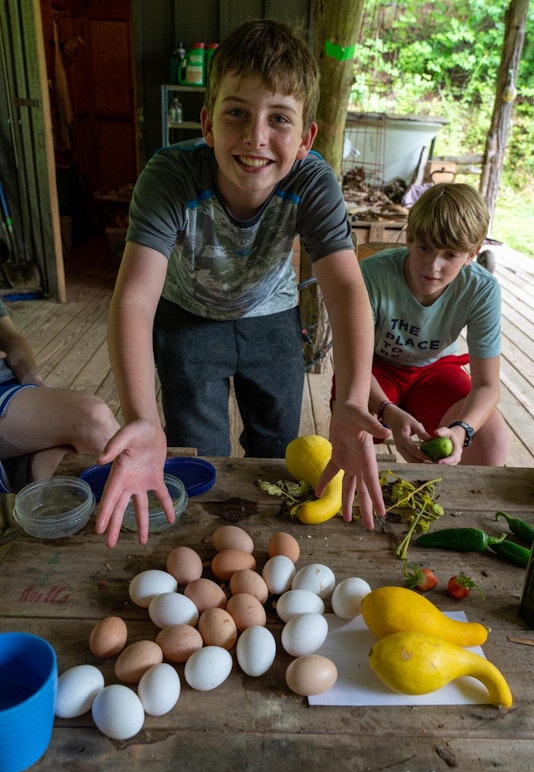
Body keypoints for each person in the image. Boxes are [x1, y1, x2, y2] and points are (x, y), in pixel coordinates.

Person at [95, 19, 389, 547]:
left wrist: (350, 402)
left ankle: (272, 549)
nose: (256, 136)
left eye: (279, 118)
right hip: (186, 320)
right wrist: (141, 418)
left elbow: (346, 291)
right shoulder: (169, 177)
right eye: (237, 113)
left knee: (279, 452)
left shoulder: (312, 181)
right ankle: (208, 550)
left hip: (272, 318)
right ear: (207, 124)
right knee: (197, 455)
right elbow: (134, 300)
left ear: (306, 138)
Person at [332, 182, 508, 466]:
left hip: (435, 368)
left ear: (472, 254)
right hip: (374, 366)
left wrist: (461, 431)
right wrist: (387, 410)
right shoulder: (371, 275)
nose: (433, 266)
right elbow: (349, 364)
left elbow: (488, 386)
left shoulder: (481, 289)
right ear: (410, 237)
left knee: (493, 441)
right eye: (425, 248)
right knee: (354, 427)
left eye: (450, 255)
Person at [0, 300, 120, 492]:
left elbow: (8, 334)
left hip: (8, 385)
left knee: (64, 473)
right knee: (93, 418)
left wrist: (32, 377)